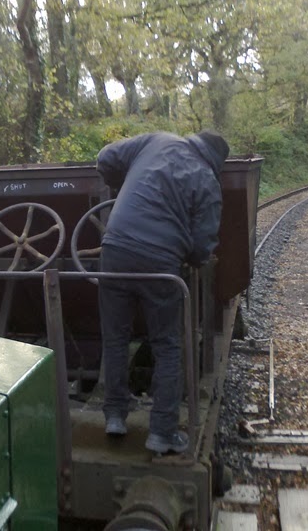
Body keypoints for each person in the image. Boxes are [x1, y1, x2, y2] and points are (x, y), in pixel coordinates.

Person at [96, 130, 230, 455]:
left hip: (114, 249)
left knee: (115, 338)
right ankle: (162, 433)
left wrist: (123, 181)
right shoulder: (209, 181)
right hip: (160, 263)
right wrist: (192, 257)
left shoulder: (156, 141)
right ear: (217, 161)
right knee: (168, 346)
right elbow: (202, 246)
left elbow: (105, 159)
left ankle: (114, 415)